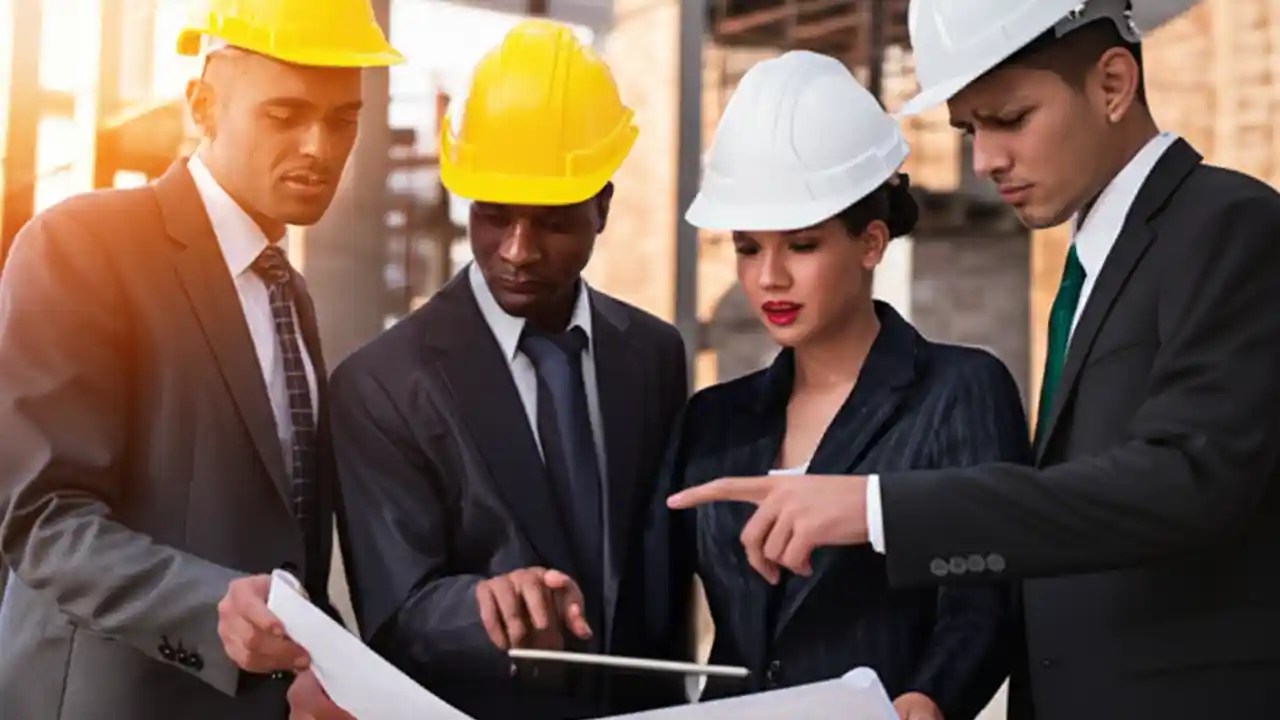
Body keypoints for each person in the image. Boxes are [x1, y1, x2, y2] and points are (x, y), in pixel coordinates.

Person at [669, 1, 1280, 718]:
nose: (985, 159)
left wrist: (873, 506)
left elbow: (1189, 478)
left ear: (1113, 84)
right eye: (969, 129)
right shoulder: (1096, 262)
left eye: (1011, 119)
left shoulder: (1228, 224)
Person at [0, 1, 403, 718]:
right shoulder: (80, 246)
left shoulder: (288, 293)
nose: (319, 146)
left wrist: (324, 666)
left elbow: (286, 541)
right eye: (284, 114)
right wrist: (207, 604)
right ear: (203, 105)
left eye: (343, 119)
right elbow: (42, 518)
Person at [291, 19, 690, 720]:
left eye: (552, 221)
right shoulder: (382, 384)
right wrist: (481, 609)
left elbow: (658, 590)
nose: (517, 250)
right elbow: (395, 612)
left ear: (603, 205)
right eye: (493, 215)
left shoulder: (653, 356)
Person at [647, 51, 1026, 720]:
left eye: (800, 245)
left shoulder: (959, 391)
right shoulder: (713, 421)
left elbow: (987, 596)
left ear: (871, 242)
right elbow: (661, 612)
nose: (769, 278)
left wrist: (931, 696)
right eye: (747, 247)